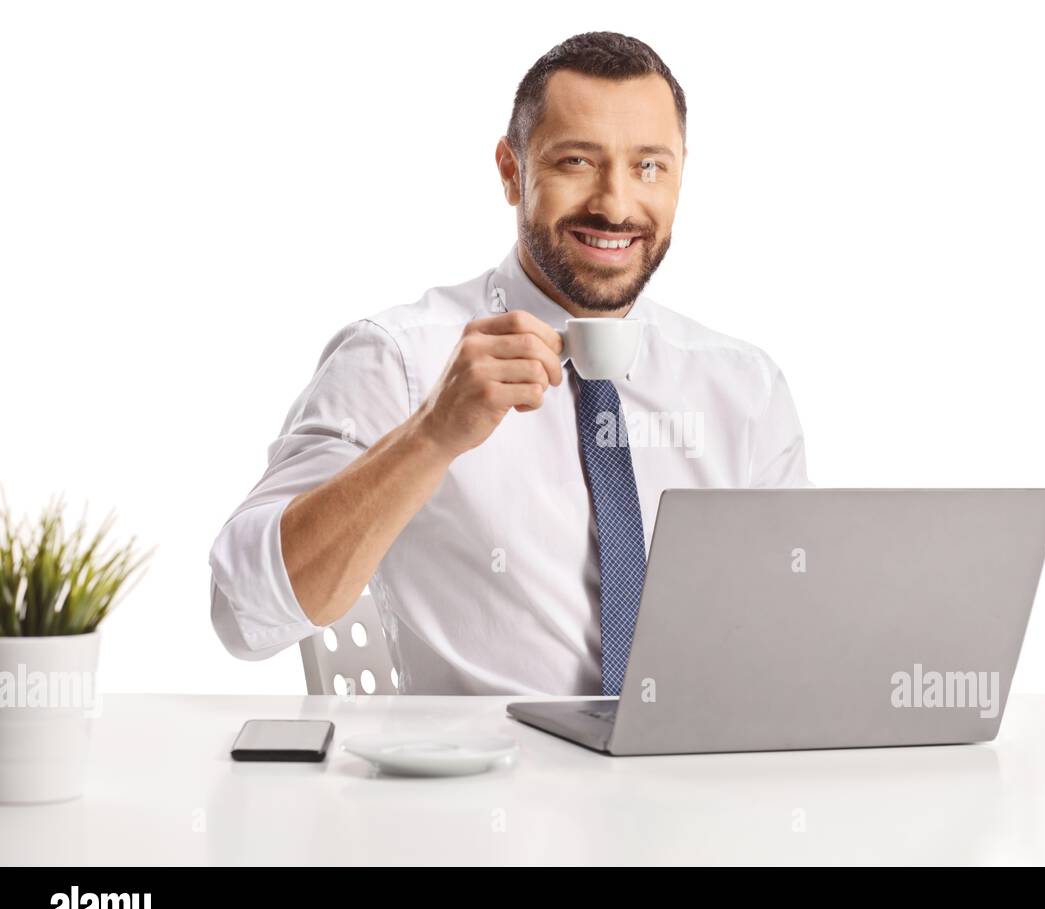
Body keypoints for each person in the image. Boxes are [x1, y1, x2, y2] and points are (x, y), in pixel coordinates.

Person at [209, 31, 810, 695]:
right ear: (510, 170)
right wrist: (431, 436)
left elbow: (792, 636)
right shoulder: (399, 358)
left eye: (648, 167)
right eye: (577, 161)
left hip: (692, 783)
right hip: (482, 788)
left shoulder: (744, 389)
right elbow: (244, 616)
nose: (614, 204)